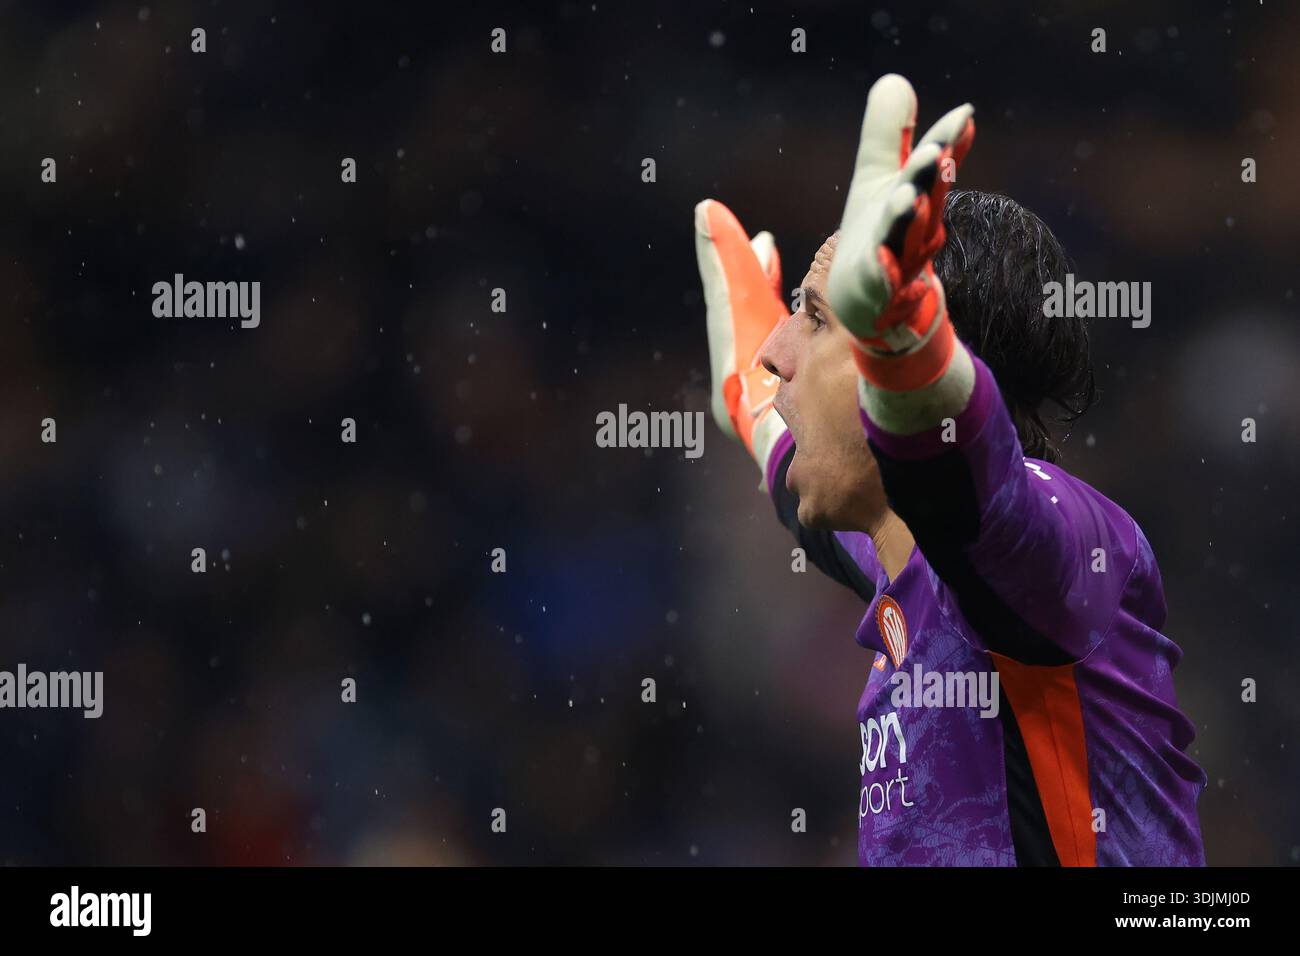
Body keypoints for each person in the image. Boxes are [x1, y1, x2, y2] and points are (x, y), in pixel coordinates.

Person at [694, 74, 1206, 866]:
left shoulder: (1062, 534)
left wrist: (906, 349)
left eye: (818, 318)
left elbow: (967, 485)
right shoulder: (902, 551)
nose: (775, 352)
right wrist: (753, 404)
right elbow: (819, 469)